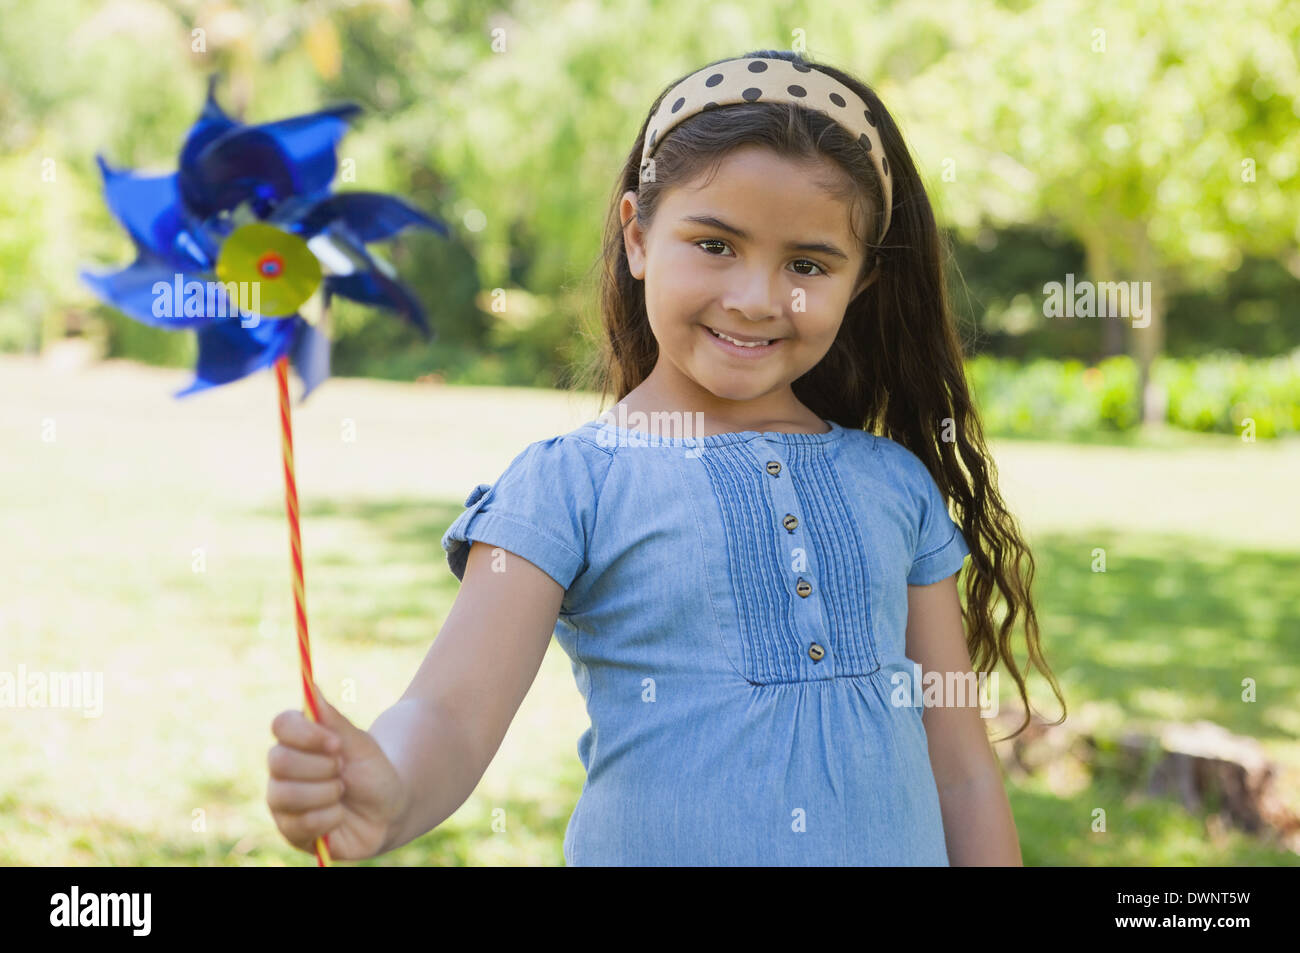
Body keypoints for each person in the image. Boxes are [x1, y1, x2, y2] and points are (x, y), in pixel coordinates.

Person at [267, 49, 1064, 866]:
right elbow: (450, 716)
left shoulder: (896, 484)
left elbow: (961, 771)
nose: (755, 297)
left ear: (858, 283)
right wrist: (390, 789)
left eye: (807, 264)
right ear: (639, 235)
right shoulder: (570, 484)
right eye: (715, 245)